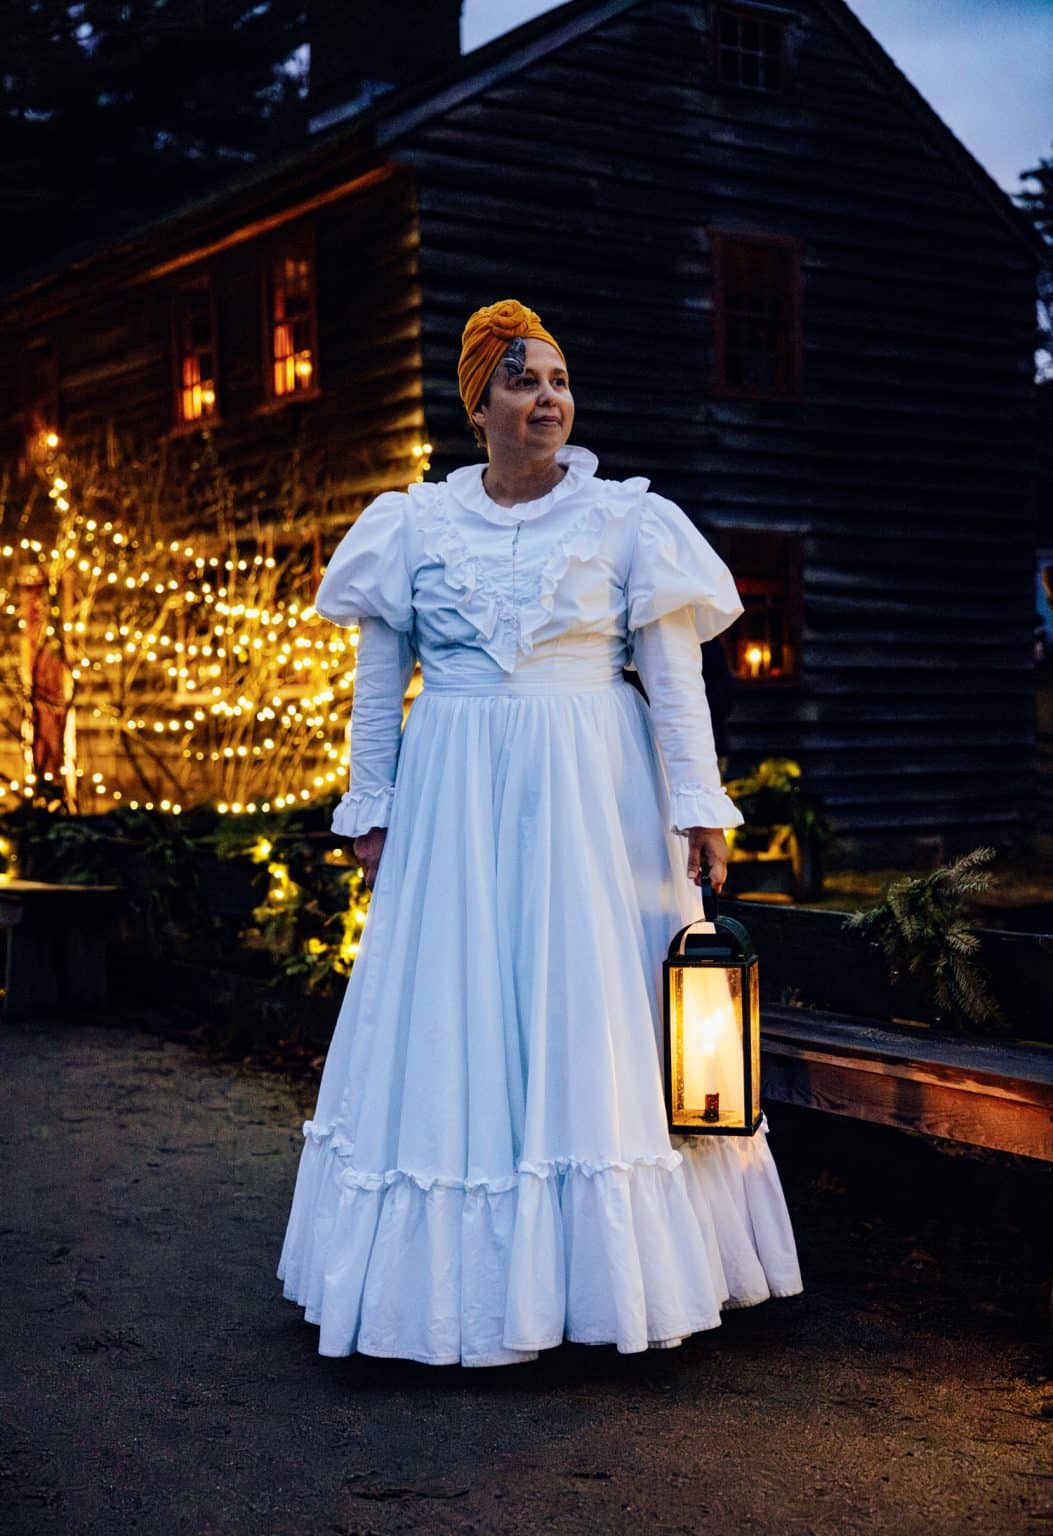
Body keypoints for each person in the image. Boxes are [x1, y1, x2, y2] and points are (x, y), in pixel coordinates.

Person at [276, 299, 802, 1367]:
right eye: (523, 382)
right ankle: (455, 1294)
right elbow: (379, 686)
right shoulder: (412, 526)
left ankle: (611, 1283)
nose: (547, 398)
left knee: (590, 1008)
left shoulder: (628, 523)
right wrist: (369, 808)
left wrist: (699, 806)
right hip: (455, 798)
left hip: (595, 797)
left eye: (559, 380)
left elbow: (674, 680)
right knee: (458, 1012)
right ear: (480, 406)